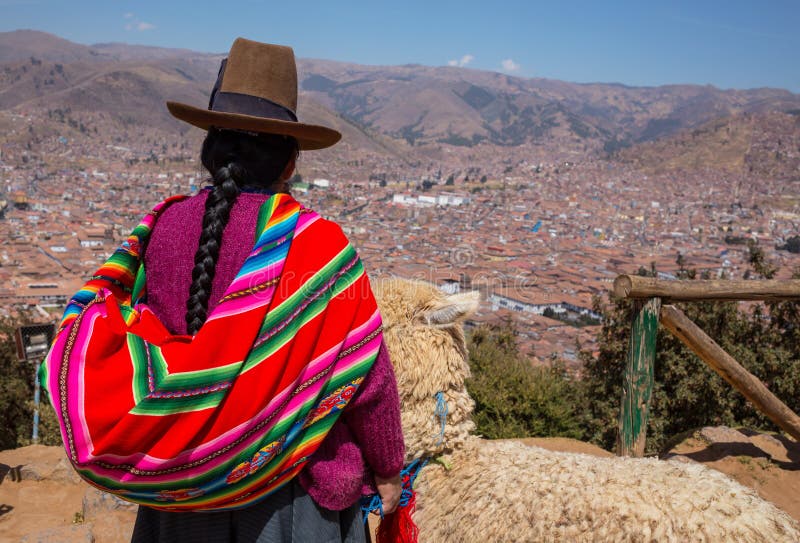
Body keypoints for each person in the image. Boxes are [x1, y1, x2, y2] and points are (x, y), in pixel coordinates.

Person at [120, 38, 405, 542]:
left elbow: (139, 339)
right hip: (291, 491)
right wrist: (387, 468)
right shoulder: (319, 247)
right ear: (290, 161)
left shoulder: (162, 228)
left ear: (209, 148)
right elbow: (369, 380)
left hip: (182, 484)